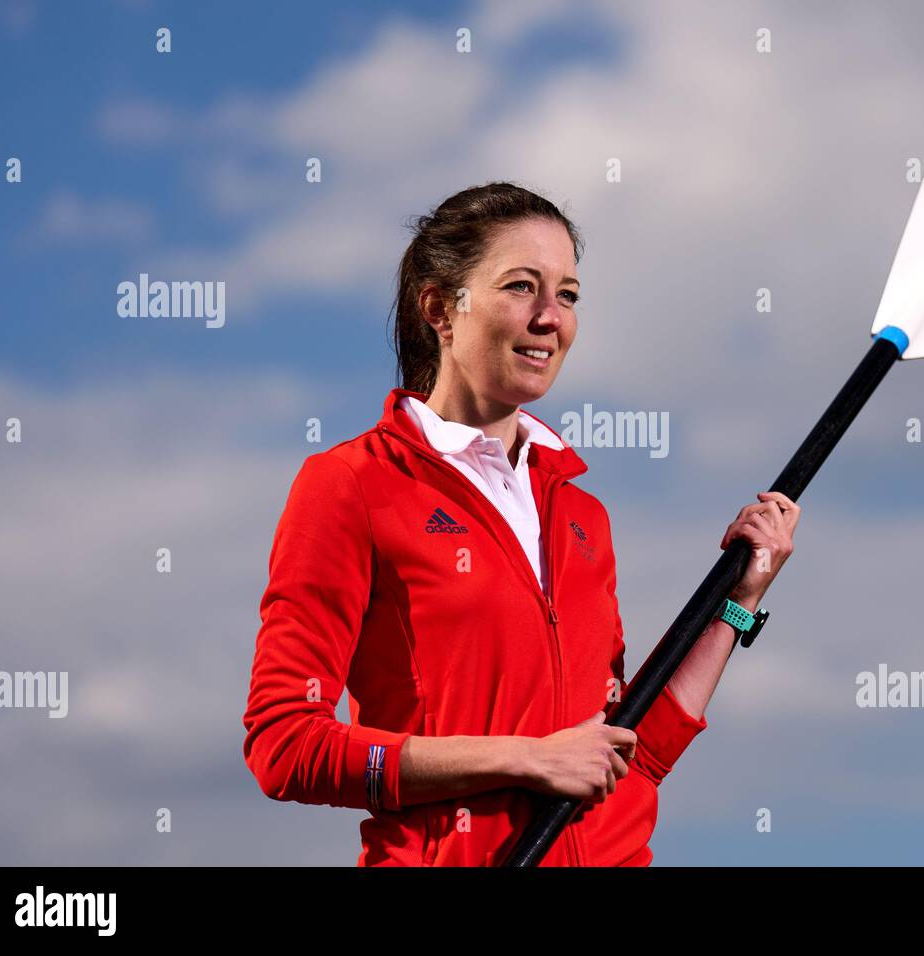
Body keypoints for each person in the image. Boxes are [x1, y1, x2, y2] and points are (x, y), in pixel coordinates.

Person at [242, 182, 801, 866]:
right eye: (520, 287)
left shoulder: (580, 511)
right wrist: (525, 760)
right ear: (440, 309)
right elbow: (285, 746)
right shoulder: (351, 485)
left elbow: (636, 752)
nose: (550, 317)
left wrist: (738, 603)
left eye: (567, 294)